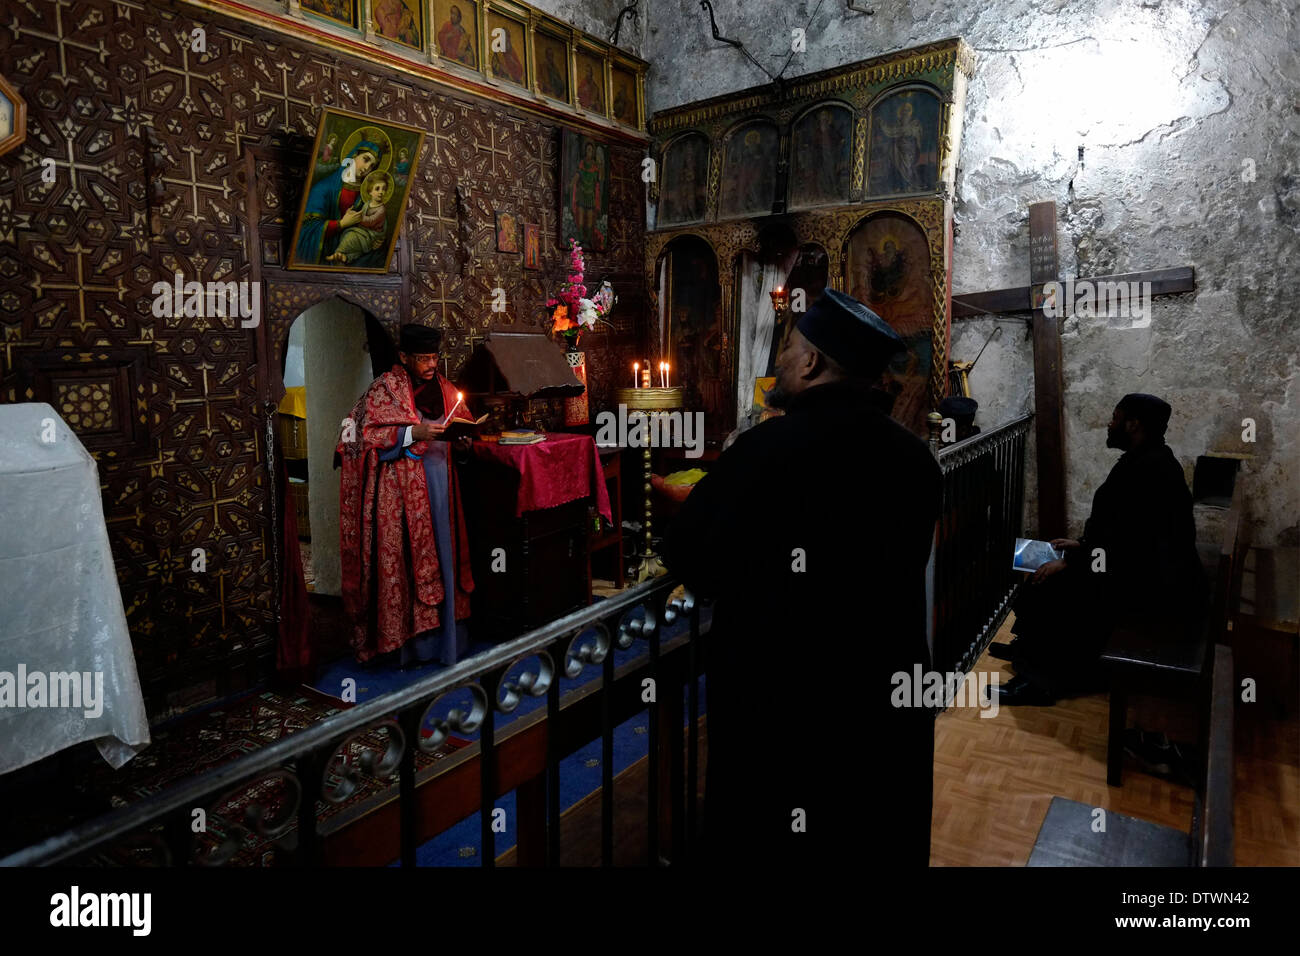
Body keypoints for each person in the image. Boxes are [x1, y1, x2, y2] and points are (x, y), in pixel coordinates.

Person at [664, 289, 941, 866]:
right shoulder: (915, 461)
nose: (781, 362)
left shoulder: (763, 451)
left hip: (781, 712)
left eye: (788, 349)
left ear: (812, 363)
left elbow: (690, 556)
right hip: (878, 712)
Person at [993, 393, 1205, 705]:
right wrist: (1081, 545)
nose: (1109, 423)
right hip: (1126, 564)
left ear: (1133, 424)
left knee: (1054, 584)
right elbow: (1119, 531)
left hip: (1149, 583)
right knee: (1030, 555)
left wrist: (1072, 563)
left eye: (1116, 417)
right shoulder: (1144, 458)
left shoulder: (1153, 469)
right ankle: (1027, 647)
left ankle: (1041, 680)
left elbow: (1134, 547)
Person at [336, 324, 476, 667]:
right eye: (423, 358)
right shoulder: (384, 390)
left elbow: (463, 425)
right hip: (400, 493)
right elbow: (357, 437)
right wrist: (412, 433)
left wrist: (463, 445)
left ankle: (446, 643)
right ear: (404, 357)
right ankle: (411, 648)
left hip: (442, 489)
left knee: (444, 557)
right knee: (405, 563)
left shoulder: (444, 388)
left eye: (434, 357)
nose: (431, 364)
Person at [326, 173, 390, 264]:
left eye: (384, 189)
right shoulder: (367, 204)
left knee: (351, 237)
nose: (381, 192)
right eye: (377, 188)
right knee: (352, 242)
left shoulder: (381, 209)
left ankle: (338, 253)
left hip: (372, 235)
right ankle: (345, 257)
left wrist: (357, 217)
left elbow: (371, 221)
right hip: (362, 231)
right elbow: (362, 215)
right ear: (370, 191)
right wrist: (351, 213)